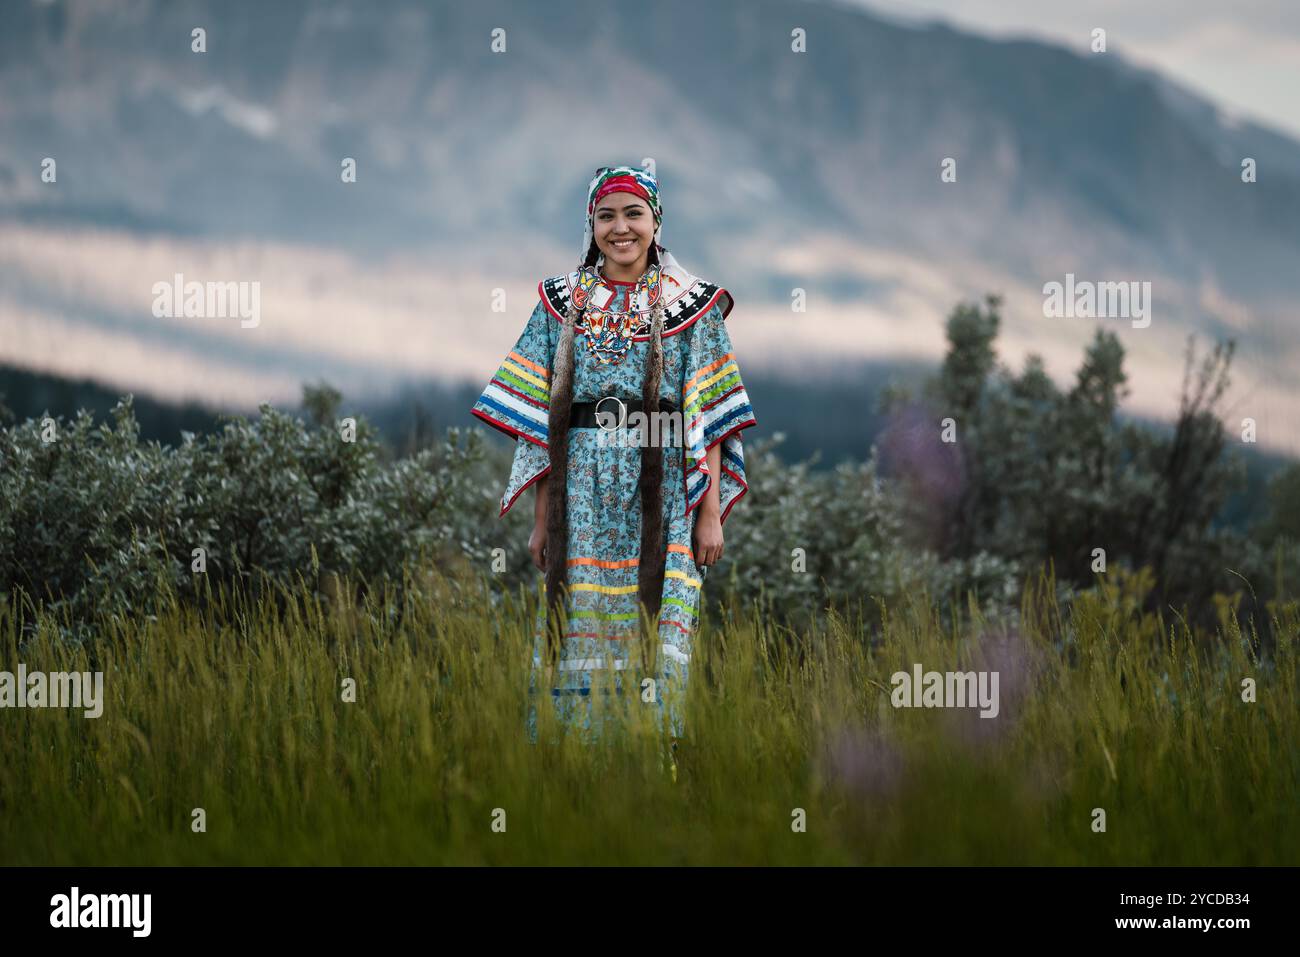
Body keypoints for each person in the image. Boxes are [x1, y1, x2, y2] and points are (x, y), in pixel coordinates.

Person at [471, 164, 757, 758]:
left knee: (660, 635)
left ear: (656, 222)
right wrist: (542, 519)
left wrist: (710, 516)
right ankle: (575, 774)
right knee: (576, 626)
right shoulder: (560, 303)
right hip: (582, 489)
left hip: (664, 493)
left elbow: (707, 415)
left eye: (634, 214)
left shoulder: (693, 305)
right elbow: (541, 426)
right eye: (607, 215)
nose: (620, 228)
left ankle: (653, 773)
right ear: (591, 223)